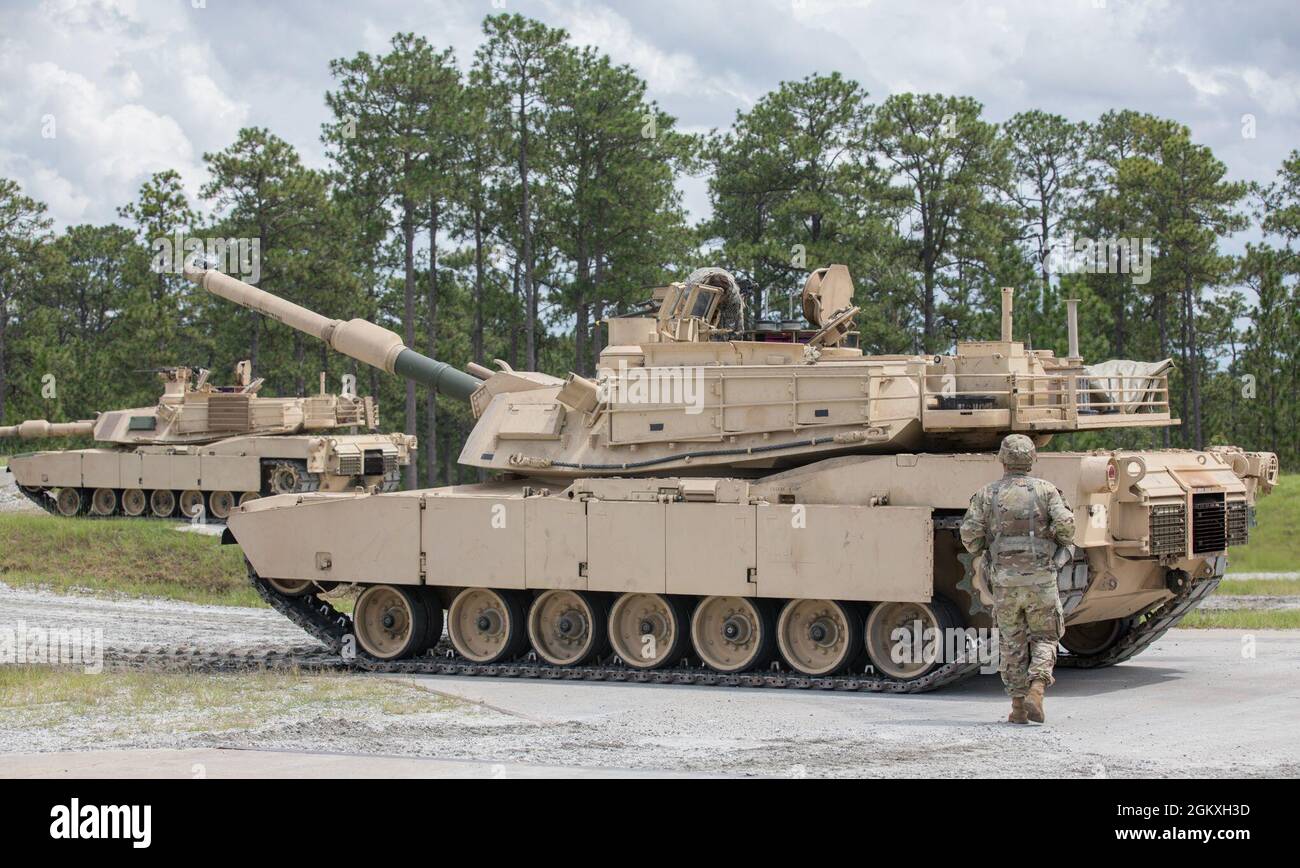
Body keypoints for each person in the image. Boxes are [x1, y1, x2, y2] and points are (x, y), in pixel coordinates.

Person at [960, 434, 1076, 724]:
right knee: (1045, 636)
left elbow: (970, 536)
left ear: (1002, 459)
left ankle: (1017, 708)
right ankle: (1036, 689)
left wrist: (986, 547)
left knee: (1012, 641)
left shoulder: (987, 494)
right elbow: (1066, 525)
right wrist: (1059, 542)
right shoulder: (1047, 491)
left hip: (1005, 582)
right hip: (1041, 579)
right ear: (1032, 459)